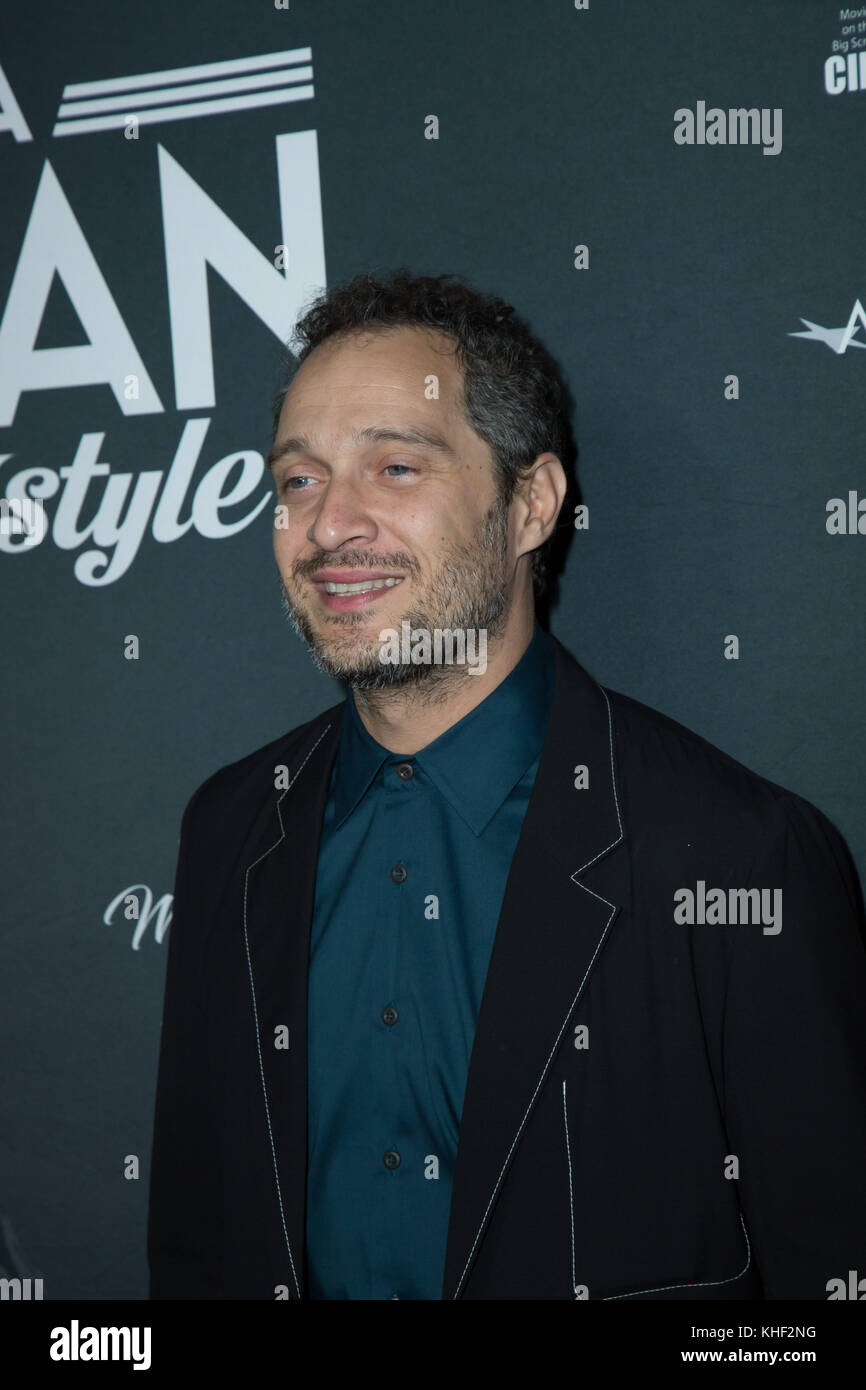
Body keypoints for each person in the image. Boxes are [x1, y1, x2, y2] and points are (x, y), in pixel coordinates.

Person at [147, 269, 866, 1300]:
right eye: (298, 480)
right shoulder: (228, 831)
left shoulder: (735, 853)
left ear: (528, 503)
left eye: (394, 467)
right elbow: (195, 1246)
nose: (329, 525)